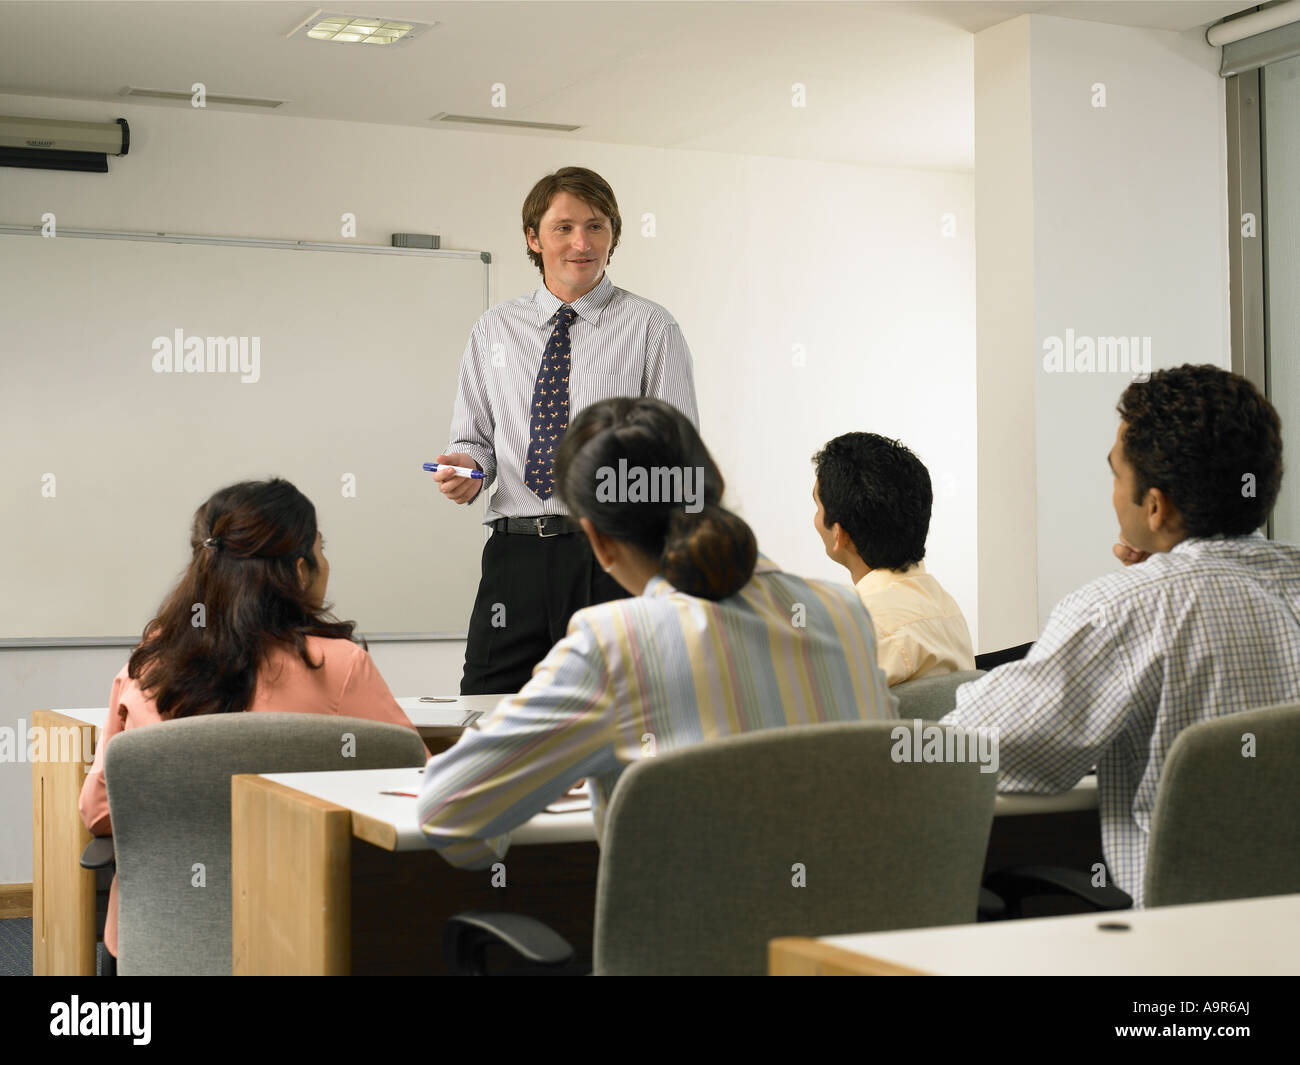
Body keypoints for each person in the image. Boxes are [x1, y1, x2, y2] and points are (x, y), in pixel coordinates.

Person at [417, 397, 897, 868]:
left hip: (701, 946)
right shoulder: (844, 611)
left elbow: (447, 812)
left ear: (598, 542)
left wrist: (533, 787)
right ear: (712, 489)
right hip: (854, 942)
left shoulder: (614, 643)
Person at [943, 364, 1299, 907]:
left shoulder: (1125, 609)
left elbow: (967, 748)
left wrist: (1150, 586)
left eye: (1116, 476)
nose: (1112, 494)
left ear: (1155, 506)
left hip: (1183, 960)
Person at [78, 478, 426, 959]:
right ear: (300, 570)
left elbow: (98, 813)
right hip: (312, 941)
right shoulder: (341, 667)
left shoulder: (150, 665)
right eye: (321, 550)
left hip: (165, 942)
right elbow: (420, 789)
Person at [431, 166, 700, 696]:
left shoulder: (651, 327)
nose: (582, 243)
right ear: (533, 238)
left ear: (614, 235)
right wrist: (466, 466)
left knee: (618, 715)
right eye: (564, 227)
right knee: (486, 712)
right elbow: (473, 441)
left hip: (611, 555)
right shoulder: (493, 329)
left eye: (597, 226)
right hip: (514, 559)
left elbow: (680, 466)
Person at [812, 432, 974, 686]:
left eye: (817, 508)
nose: (815, 520)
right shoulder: (947, 610)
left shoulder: (853, 633)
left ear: (839, 534)